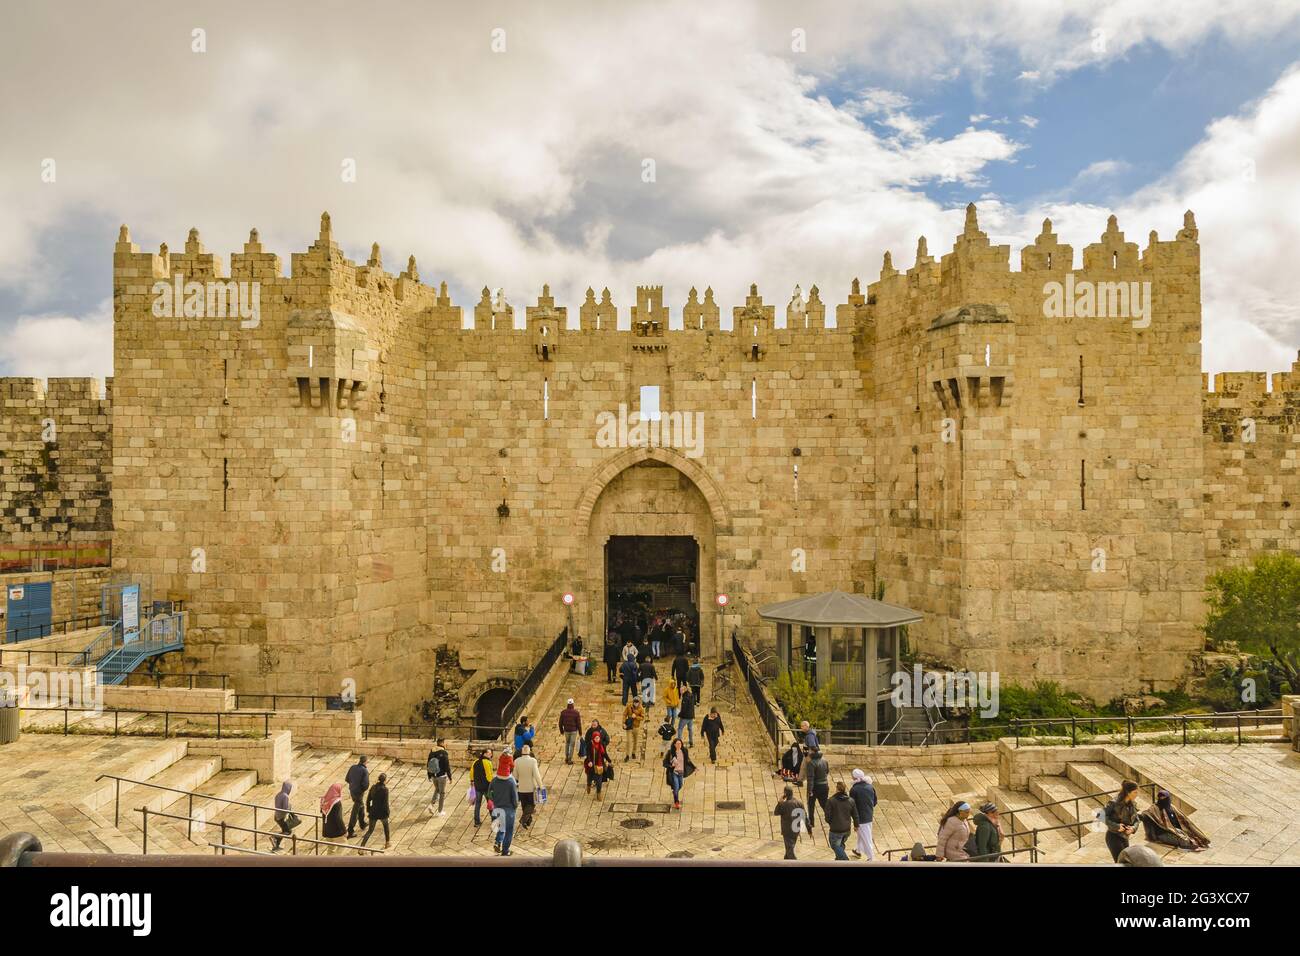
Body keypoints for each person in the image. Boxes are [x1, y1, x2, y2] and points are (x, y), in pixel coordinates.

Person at [1139, 790, 1210, 851]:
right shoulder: (1155, 808)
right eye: (1160, 797)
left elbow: (1183, 819)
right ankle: (1191, 846)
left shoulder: (1172, 807)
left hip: (1176, 829)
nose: (1162, 798)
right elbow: (1146, 813)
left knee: (1194, 834)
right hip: (1163, 832)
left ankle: (1199, 843)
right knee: (1184, 841)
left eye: (1164, 797)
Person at [489, 753, 519, 856]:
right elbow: (515, 799)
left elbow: (489, 794)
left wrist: (495, 801)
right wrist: (515, 807)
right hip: (509, 810)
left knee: (502, 827)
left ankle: (498, 842)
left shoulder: (494, 780)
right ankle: (505, 851)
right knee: (509, 831)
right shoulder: (511, 782)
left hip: (497, 808)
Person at [1103, 781, 1141, 862]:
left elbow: (1137, 820)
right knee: (1120, 862)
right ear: (1128, 792)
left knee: (1126, 861)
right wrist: (1116, 826)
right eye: (1135, 792)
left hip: (1124, 837)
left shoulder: (1133, 804)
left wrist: (1133, 828)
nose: (1137, 795)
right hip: (1113, 836)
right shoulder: (1114, 802)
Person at [824, 780, 860, 861]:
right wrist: (856, 825)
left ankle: (844, 860)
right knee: (840, 844)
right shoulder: (851, 800)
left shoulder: (831, 801)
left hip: (836, 829)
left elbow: (827, 817)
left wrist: (831, 822)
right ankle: (838, 860)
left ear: (837, 789)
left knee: (835, 845)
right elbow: (855, 814)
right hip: (847, 829)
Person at [798, 746, 830, 831]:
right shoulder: (824, 760)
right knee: (824, 804)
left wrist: (810, 790)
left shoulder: (811, 763)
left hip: (815, 786)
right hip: (824, 785)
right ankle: (831, 819)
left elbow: (811, 778)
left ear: (812, 752)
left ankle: (811, 823)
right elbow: (827, 771)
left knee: (811, 805)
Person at [848, 769, 877, 860]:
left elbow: (852, 805)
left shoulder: (854, 790)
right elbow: (875, 801)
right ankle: (858, 850)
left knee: (866, 838)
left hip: (860, 817)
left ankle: (871, 857)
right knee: (862, 834)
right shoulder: (870, 787)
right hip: (869, 814)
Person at [514, 744, 544, 829]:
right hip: (531, 788)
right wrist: (541, 786)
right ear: (529, 751)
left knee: (524, 805)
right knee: (531, 804)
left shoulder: (517, 761)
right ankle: (523, 819)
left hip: (521, 788)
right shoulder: (533, 761)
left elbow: (515, 776)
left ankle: (528, 821)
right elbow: (537, 775)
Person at [773, 785, 808, 860]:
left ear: (785, 793)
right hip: (796, 830)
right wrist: (809, 828)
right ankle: (786, 861)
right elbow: (804, 816)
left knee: (790, 851)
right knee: (789, 849)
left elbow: (776, 812)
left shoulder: (784, 805)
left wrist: (779, 802)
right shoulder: (799, 803)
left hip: (787, 830)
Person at [663, 737, 695, 809]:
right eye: (677, 744)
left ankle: (674, 791)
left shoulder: (684, 751)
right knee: (676, 788)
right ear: (674, 745)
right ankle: (676, 802)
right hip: (674, 773)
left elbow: (688, 760)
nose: (679, 745)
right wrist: (671, 765)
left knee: (680, 785)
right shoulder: (671, 753)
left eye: (680, 743)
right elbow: (664, 763)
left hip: (681, 773)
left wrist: (694, 767)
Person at [361, 772, 391, 849]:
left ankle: (362, 847)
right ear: (385, 781)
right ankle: (387, 843)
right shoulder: (385, 790)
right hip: (382, 813)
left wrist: (368, 809)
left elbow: (368, 800)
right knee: (386, 827)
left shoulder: (373, 788)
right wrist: (387, 812)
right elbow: (385, 803)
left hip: (373, 812)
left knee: (370, 831)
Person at [344, 755, 369, 838]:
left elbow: (347, 779)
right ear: (365, 762)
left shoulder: (353, 767)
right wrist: (361, 789)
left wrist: (353, 785)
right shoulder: (364, 770)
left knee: (361, 806)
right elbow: (365, 785)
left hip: (352, 791)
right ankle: (350, 830)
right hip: (359, 793)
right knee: (355, 811)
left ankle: (362, 823)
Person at [584, 730, 614, 799]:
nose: (597, 739)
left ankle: (598, 793)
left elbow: (604, 753)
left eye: (598, 738)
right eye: (596, 738)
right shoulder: (590, 745)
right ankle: (588, 785)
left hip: (600, 765)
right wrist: (589, 761)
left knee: (599, 780)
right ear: (593, 738)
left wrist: (609, 760)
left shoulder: (602, 744)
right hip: (591, 766)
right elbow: (588, 754)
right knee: (589, 778)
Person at [426, 738, 452, 816]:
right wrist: (450, 777)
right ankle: (440, 811)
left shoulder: (432, 751)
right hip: (441, 776)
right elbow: (447, 766)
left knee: (437, 789)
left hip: (434, 775)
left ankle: (431, 805)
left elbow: (428, 764)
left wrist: (429, 775)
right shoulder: (444, 753)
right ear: (442, 743)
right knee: (442, 793)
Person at [471, 747, 495, 827]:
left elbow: (471, 774)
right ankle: (494, 819)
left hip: (478, 787)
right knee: (490, 803)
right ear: (484, 754)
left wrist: (472, 782)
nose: (490, 754)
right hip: (486, 787)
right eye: (489, 753)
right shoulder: (488, 762)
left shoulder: (475, 762)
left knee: (478, 804)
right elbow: (489, 776)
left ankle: (477, 822)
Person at [320, 783, 347, 853]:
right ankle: (336, 862)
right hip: (336, 831)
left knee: (331, 849)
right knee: (343, 845)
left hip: (326, 830)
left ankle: (328, 863)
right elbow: (338, 818)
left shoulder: (324, 800)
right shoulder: (336, 803)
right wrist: (344, 831)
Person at [271, 780, 295, 851]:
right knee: (288, 831)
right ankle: (275, 837)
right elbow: (285, 808)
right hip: (282, 817)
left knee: (284, 830)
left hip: (276, 816)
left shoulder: (278, 794)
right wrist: (290, 807)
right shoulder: (285, 796)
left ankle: (276, 845)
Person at [558, 698, 583, 765]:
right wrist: (580, 732)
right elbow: (578, 724)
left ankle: (566, 757)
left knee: (567, 743)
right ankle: (569, 759)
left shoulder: (563, 712)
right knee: (572, 745)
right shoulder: (576, 713)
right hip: (573, 731)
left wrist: (561, 731)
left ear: (567, 704)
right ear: (573, 704)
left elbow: (560, 723)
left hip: (566, 731)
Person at [623, 696, 647, 761]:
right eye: (634, 702)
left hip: (636, 726)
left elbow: (642, 717)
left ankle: (633, 752)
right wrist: (623, 723)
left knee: (635, 741)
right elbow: (624, 714)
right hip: (629, 726)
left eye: (637, 702)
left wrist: (636, 717)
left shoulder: (641, 708)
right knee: (628, 741)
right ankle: (627, 755)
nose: (635, 703)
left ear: (639, 703)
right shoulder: (629, 706)